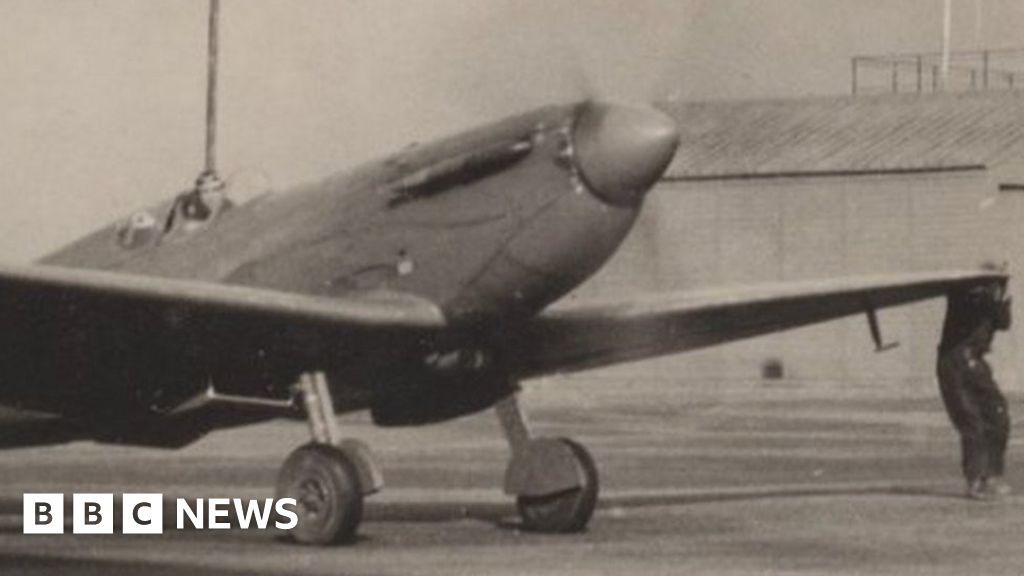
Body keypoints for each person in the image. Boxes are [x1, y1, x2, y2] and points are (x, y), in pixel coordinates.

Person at [936, 277, 1012, 500]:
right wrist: (988, 291)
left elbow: (1003, 323)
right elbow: (960, 295)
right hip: (956, 363)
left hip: (975, 362)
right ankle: (976, 481)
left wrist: (1001, 297)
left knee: (998, 413)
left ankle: (990, 476)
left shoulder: (991, 300)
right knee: (972, 421)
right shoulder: (964, 296)